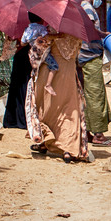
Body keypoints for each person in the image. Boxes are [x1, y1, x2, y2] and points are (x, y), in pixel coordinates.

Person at [26, 22, 90, 162]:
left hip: (50, 74)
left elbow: (38, 48)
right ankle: (68, 149)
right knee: (69, 110)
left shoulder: (52, 31)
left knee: (47, 109)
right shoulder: (79, 32)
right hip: (69, 74)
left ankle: (46, 141)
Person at [79, 0, 111, 147]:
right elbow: (91, 31)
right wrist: (104, 34)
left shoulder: (83, 7)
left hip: (84, 56)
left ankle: (87, 131)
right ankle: (98, 134)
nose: (100, 0)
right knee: (96, 95)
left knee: (87, 95)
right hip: (90, 56)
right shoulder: (87, 8)